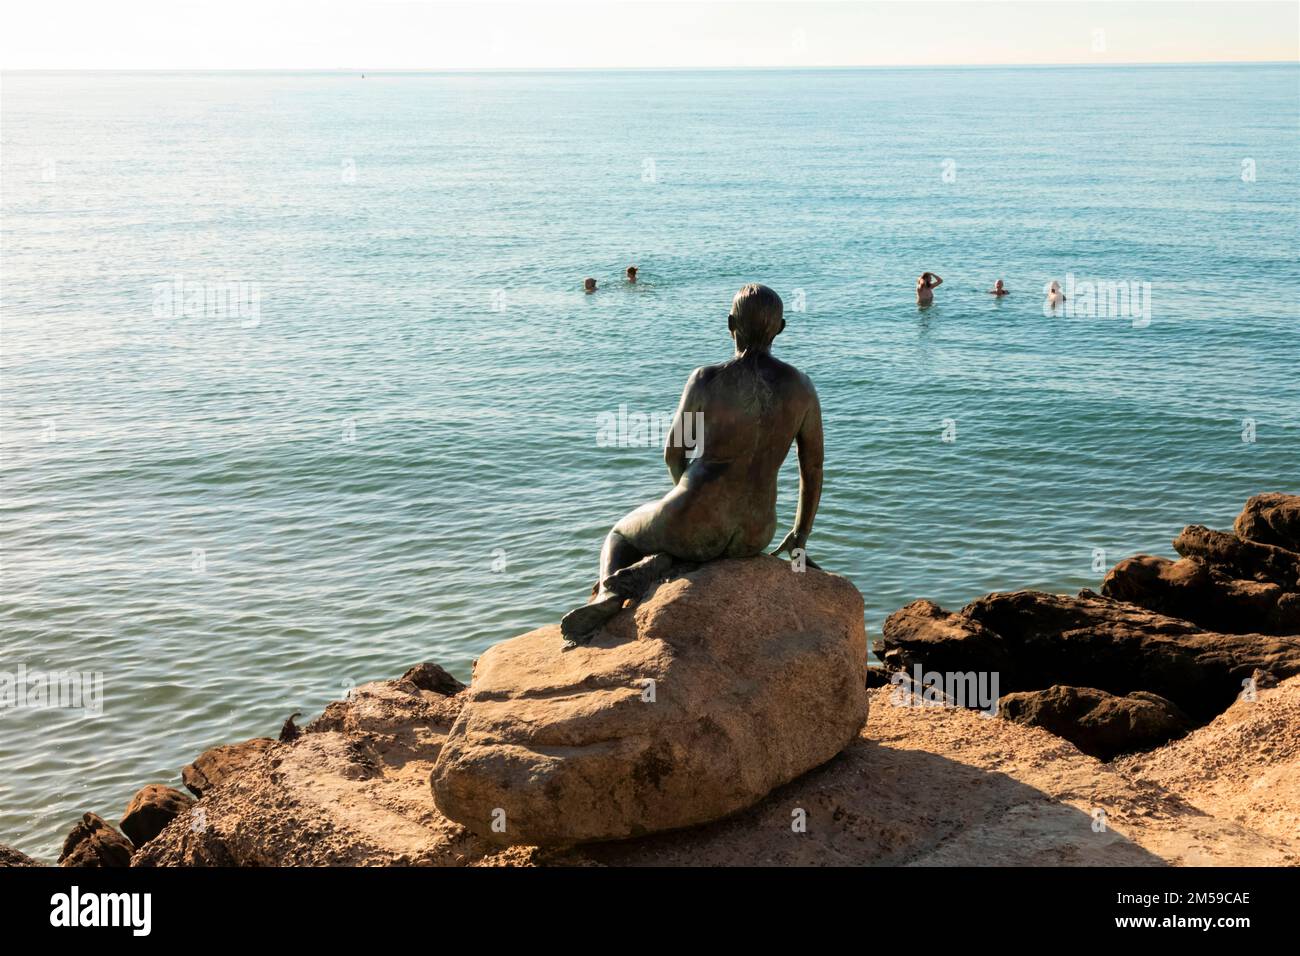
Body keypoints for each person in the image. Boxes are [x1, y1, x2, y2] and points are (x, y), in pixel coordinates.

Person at [560, 283, 824, 645]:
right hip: (755, 532)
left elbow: (674, 452)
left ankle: (612, 593)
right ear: (780, 328)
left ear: (730, 324)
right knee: (698, 539)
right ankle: (669, 558)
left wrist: (686, 503)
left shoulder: (706, 379)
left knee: (621, 534)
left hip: (694, 517)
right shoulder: (803, 388)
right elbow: (812, 469)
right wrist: (799, 536)